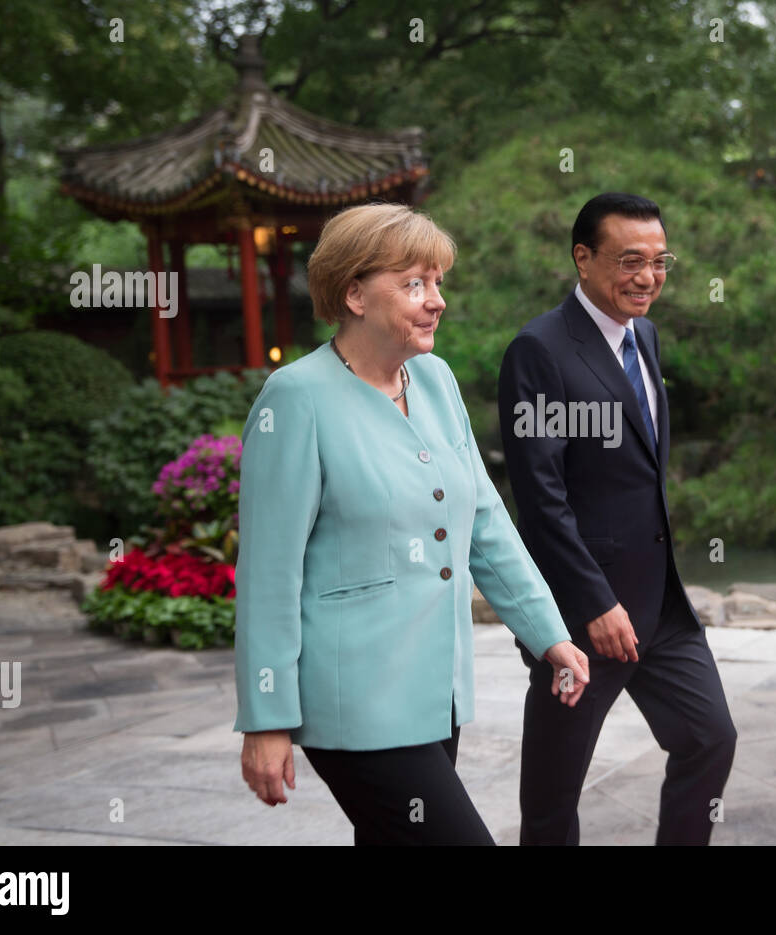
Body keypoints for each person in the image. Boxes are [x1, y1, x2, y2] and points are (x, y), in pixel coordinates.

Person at [233, 202, 589, 845]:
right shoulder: (294, 399)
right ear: (353, 294)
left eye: (439, 282)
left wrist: (549, 634)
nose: (436, 301)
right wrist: (265, 719)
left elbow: (485, 521)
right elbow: (267, 574)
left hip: (436, 691)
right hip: (353, 701)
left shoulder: (435, 378)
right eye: (414, 284)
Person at [498, 192, 736, 845]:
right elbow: (540, 496)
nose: (648, 276)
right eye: (630, 260)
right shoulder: (538, 350)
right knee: (552, 797)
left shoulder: (646, 336)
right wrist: (594, 601)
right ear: (583, 257)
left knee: (710, 739)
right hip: (580, 620)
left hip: (661, 608)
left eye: (660, 262)